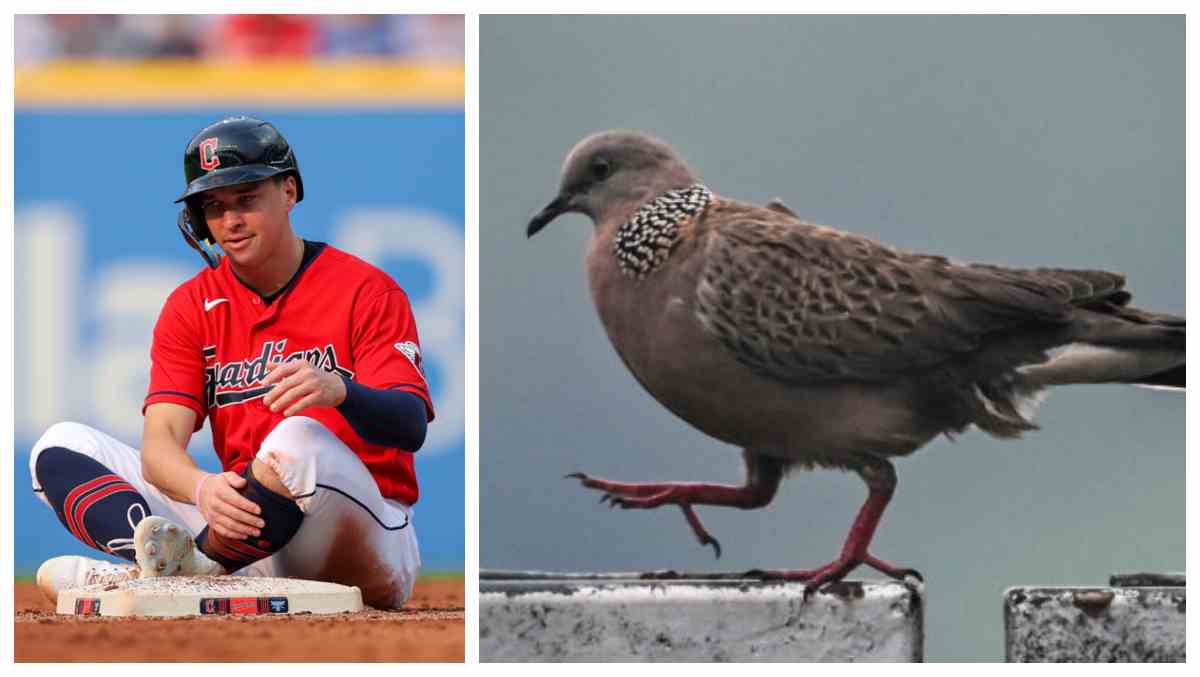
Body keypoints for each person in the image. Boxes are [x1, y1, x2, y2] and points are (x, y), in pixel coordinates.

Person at [30, 116, 433, 609]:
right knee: (59, 444)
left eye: (246, 200)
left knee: (296, 438)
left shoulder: (366, 290)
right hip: (247, 536)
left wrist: (341, 392)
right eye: (214, 208)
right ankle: (188, 572)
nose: (231, 222)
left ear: (288, 193)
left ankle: (173, 575)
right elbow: (160, 447)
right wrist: (202, 489)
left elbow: (410, 424)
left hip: (360, 535)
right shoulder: (190, 306)